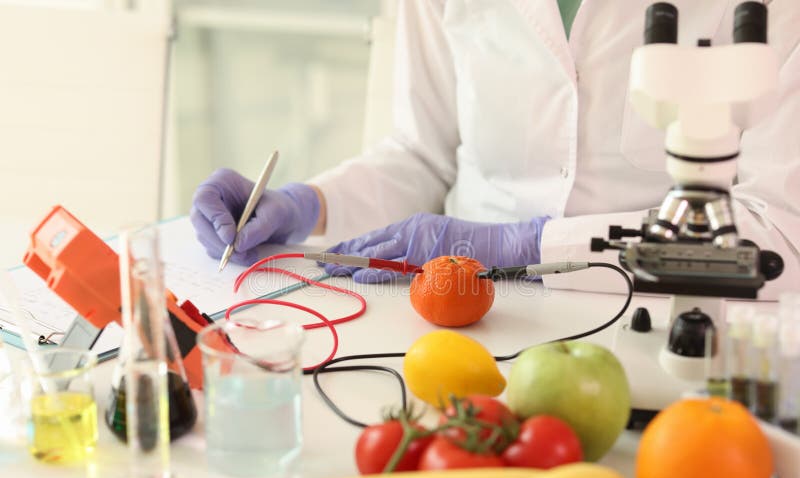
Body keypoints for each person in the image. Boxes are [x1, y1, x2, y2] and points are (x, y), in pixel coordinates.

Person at [191, 0, 799, 298]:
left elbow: (780, 232)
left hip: (668, 315)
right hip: (460, 312)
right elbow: (420, 154)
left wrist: (523, 248)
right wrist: (305, 204)